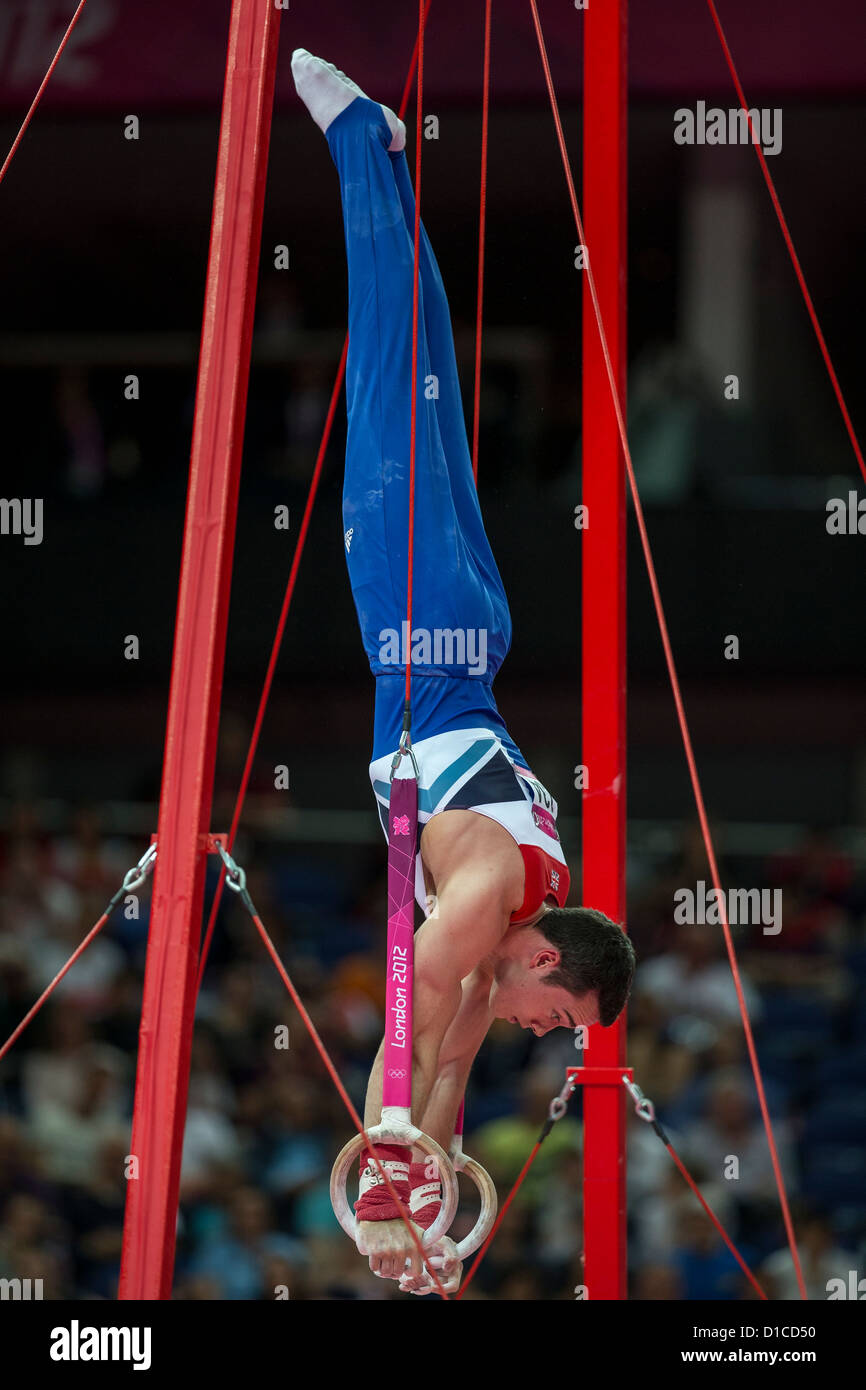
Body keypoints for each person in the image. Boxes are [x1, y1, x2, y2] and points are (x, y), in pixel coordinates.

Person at [291, 51, 635, 1287]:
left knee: (418, 377)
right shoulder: (495, 895)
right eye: (562, 1020)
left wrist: (417, 1234)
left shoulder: (514, 927)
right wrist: (389, 1163)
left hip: (455, 637)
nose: (549, 1035)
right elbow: (404, 1004)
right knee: (389, 379)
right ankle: (350, 144)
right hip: (422, 634)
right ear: (550, 960)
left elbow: (438, 1066)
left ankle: (383, 153)